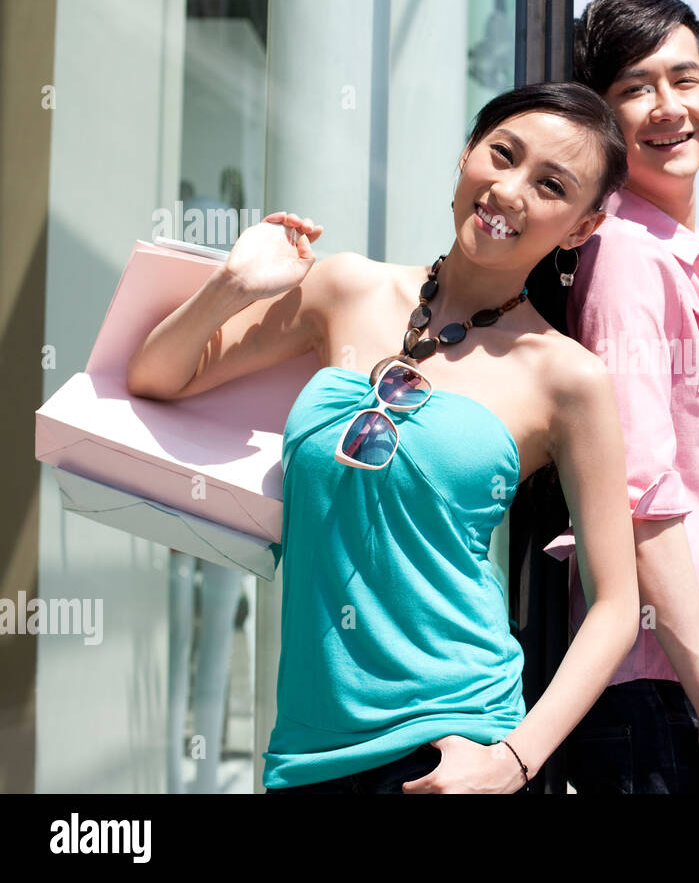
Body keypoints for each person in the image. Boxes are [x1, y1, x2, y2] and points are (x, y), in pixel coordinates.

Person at [127, 82, 642, 793]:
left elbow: (617, 603)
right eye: (502, 155)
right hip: (305, 749)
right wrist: (232, 284)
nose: (510, 191)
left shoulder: (568, 377)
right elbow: (157, 375)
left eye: (551, 185)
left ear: (581, 228)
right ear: (468, 154)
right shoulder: (344, 288)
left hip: (453, 745)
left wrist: (514, 761)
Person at [562, 0, 699, 795]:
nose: (666, 107)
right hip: (658, 694)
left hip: (672, 685)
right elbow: (640, 501)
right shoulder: (626, 254)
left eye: (683, 81)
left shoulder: (675, 255)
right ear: (602, 120)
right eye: (634, 89)